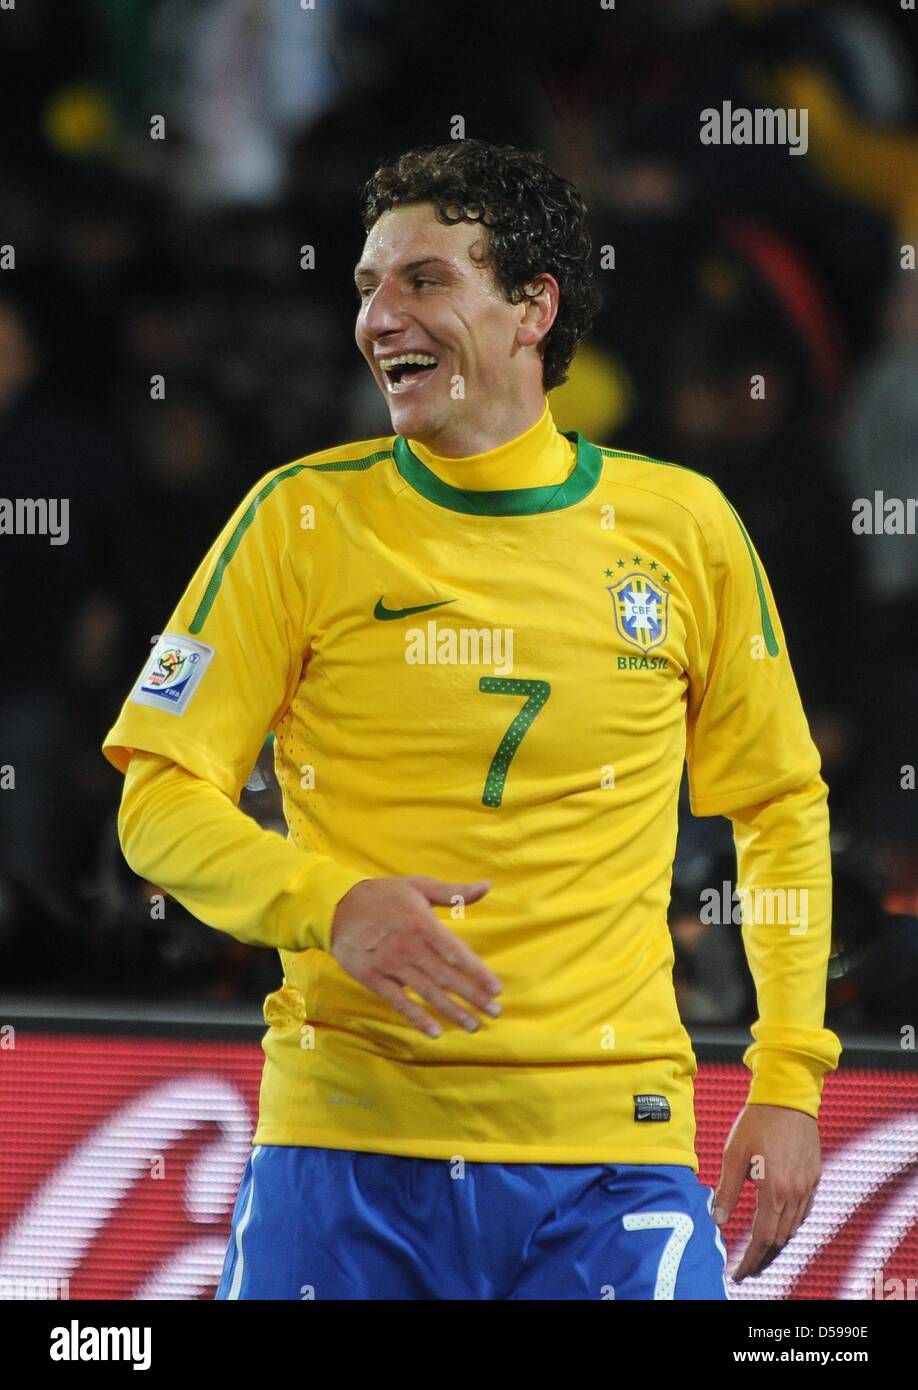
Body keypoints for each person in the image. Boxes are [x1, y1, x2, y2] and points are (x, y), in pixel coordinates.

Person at [101, 138, 841, 1300]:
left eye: (424, 280)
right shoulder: (297, 521)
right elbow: (157, 802)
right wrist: (329, 904)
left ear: (533, 307)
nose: (378, 317)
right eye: (365, 287)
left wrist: (790, 1073)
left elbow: (780, 807)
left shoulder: (684, 527)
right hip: (347, 1150)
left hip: (610, 1157)